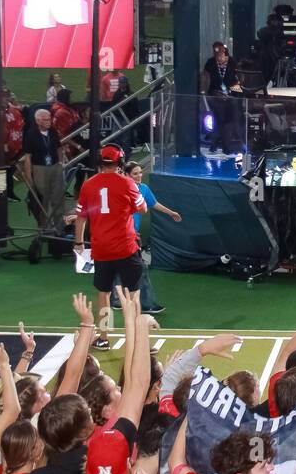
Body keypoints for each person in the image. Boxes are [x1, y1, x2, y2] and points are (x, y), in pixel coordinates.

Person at [73, 144, 147, 350]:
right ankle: (138, 337)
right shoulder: (127, 183)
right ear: (120, 162)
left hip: (102, 249)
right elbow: (143, 207)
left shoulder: (89, 185)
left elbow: (81, 217)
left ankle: (104, 336)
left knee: (103, 294)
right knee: (133, 294)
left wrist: (79, 242)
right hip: (126, 247)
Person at [121, 160, 179, 315]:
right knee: (141, 269)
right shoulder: (121, 191)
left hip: (132, 236)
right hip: (125, 236)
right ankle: (146, 304)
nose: (139, 176)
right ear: (126, 175)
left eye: (140, 173)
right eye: (135, 174)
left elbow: (154, 203)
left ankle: (116, 300)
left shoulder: (143, 189)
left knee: (121, 267)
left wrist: (171, 213)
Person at [19, 108, 67, 235]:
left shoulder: (52, 131)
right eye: (46, 120)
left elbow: (59, 147)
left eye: (49, 119)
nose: (49, 121)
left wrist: (60, 163)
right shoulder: (30, 134)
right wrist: (29, 176)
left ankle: (59, 228)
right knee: (43, 200)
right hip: (39, 168)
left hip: (55, 167)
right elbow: (28, 157)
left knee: (58, 198)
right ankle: (45, 228)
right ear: (38, 121)